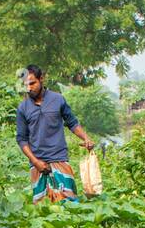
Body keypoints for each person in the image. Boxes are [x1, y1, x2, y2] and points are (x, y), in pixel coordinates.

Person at [16, 65, 95, 204]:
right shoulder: (23, 108)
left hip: (59, 159)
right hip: (38, 165)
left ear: (42, 79)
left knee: (69, 205)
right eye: (26, 85)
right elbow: (22, 139)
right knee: (42, 210)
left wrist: (86, 138)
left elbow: (72, 123)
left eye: (32, 83)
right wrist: (35, 162)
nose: (29, 88)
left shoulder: (58, 99)